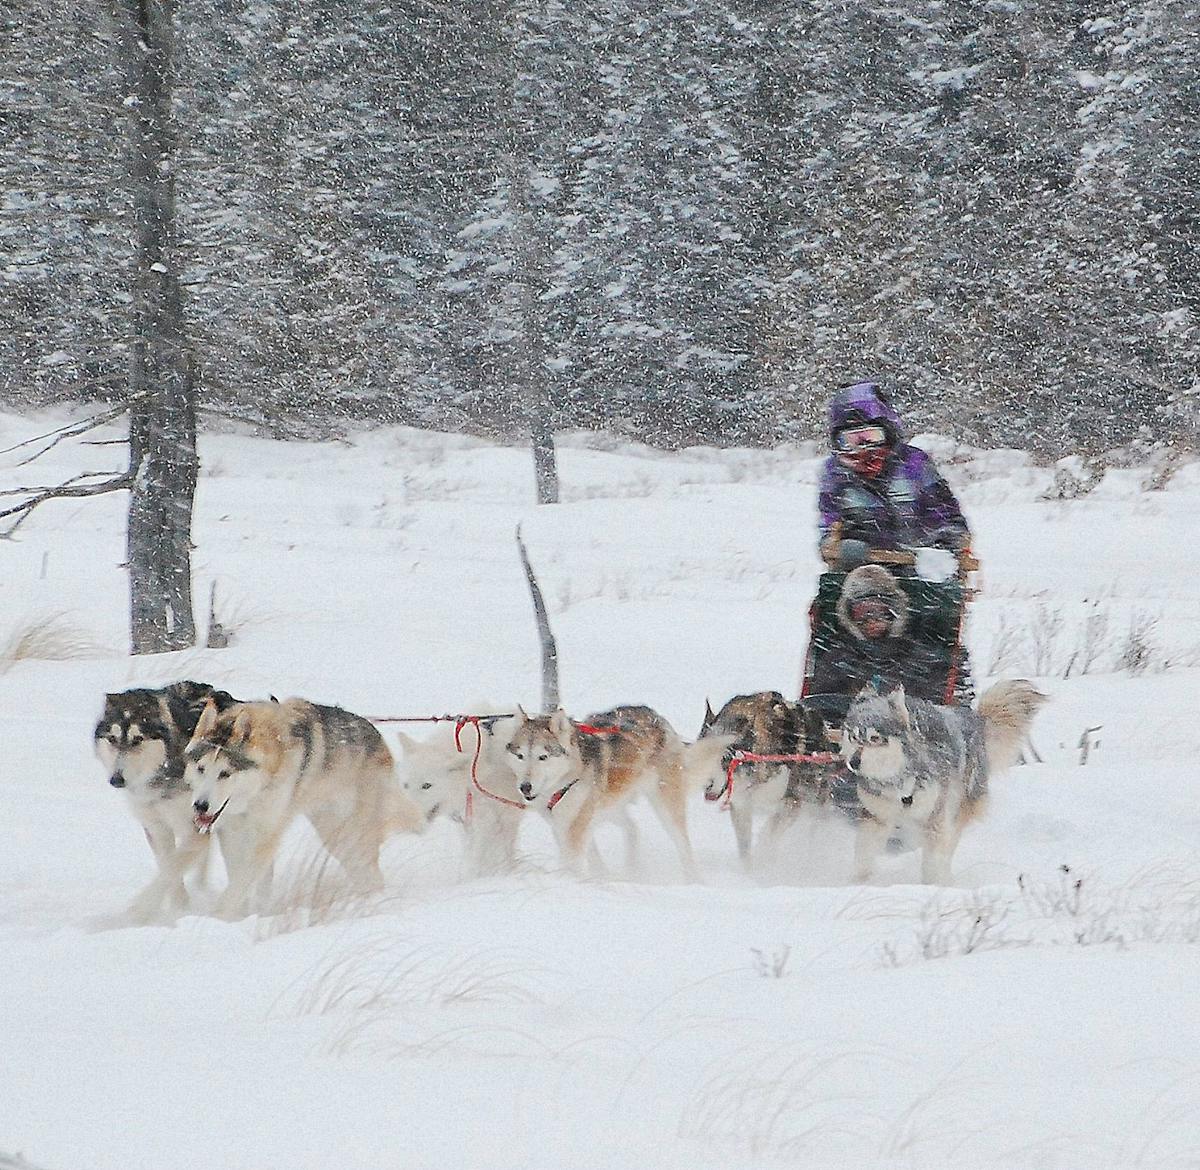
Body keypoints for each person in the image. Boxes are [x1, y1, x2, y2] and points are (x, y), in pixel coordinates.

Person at [818, 381, 971, 571]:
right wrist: (839, 545)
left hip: (921, 571)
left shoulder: (915, 464)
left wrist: (944, 544)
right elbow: (829, 526)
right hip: (861, 571)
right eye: (850, 441)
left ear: (888, 433)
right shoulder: (836, 474)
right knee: (831, 593)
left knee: (937, 595)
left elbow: (948, 516)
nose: (862, 449)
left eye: (870, 438)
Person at [807, 564, 972, 706]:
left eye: (879, 611)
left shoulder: (919, 658)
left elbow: (930, 707)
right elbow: (821, 704)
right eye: (863, 614)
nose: (872, 620)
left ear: (894, 611)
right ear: (850, 616)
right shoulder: (837, 659)